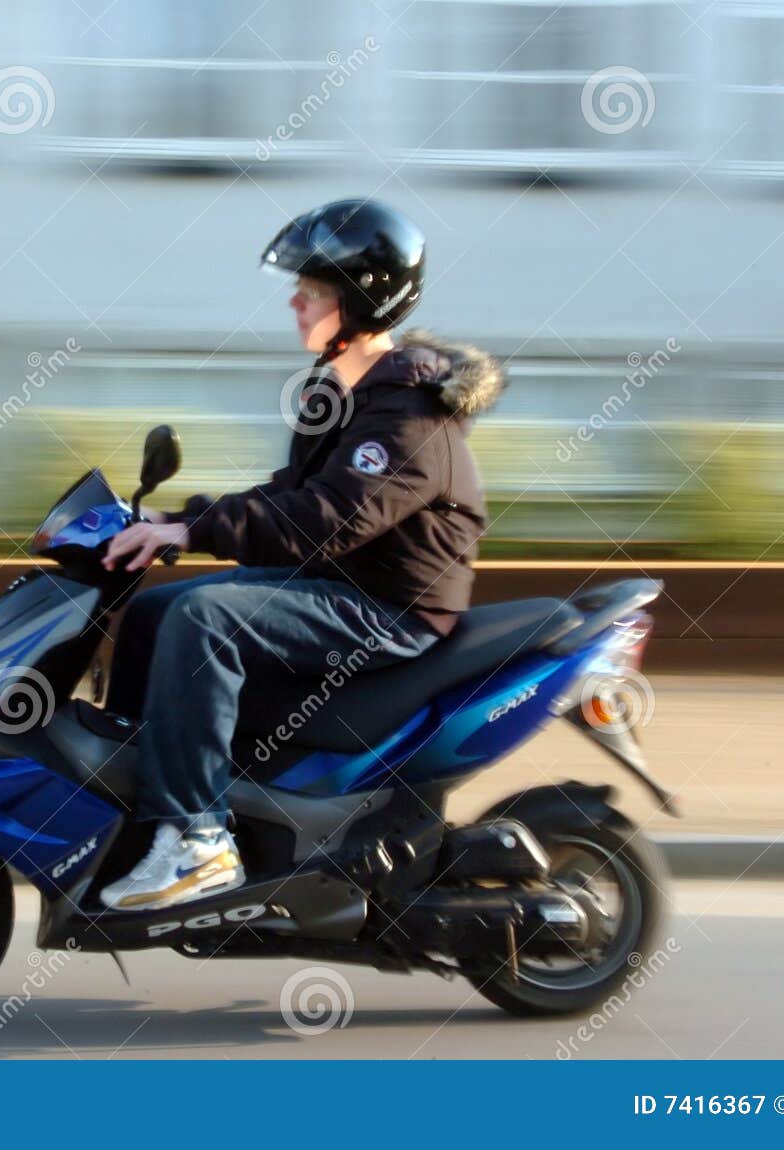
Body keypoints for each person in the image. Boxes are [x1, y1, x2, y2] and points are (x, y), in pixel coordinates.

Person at [96, 198, 503, 912]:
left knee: (206, 620)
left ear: (359, 299)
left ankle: (196, 842)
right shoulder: (341, 390)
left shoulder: (408, 414)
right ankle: (144, 805)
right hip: (342, 581)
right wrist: (174, 518)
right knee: (157, 610)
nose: (294, 301)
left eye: (311, 290)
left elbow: (327, 522)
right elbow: (293, 491)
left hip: (391, 607)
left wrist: (197, 535)